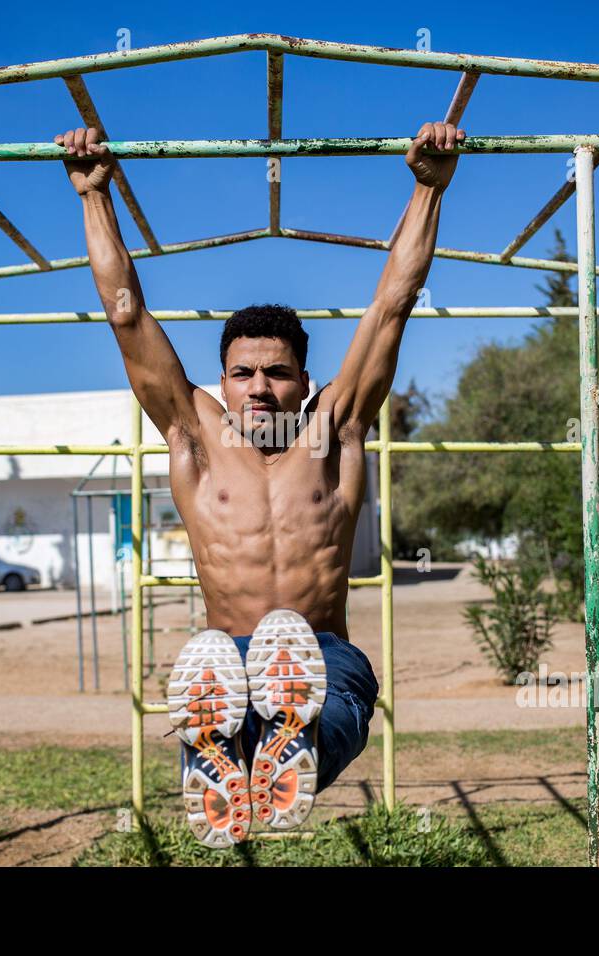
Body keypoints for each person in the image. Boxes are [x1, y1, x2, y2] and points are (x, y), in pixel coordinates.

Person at [58, 119, 463, 846]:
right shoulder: (196, 436)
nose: (259, 387)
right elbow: (126, 315)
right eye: (242, 373)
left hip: (321, 653)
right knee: (234, 770)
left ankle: (291, 741)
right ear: (222, 381)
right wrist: (95, 195)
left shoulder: (334, 429)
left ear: (304, 380)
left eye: (277, 373)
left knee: (336, 710)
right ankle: (236, 747)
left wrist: (428, 190)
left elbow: (392, 305)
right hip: (226, 663)